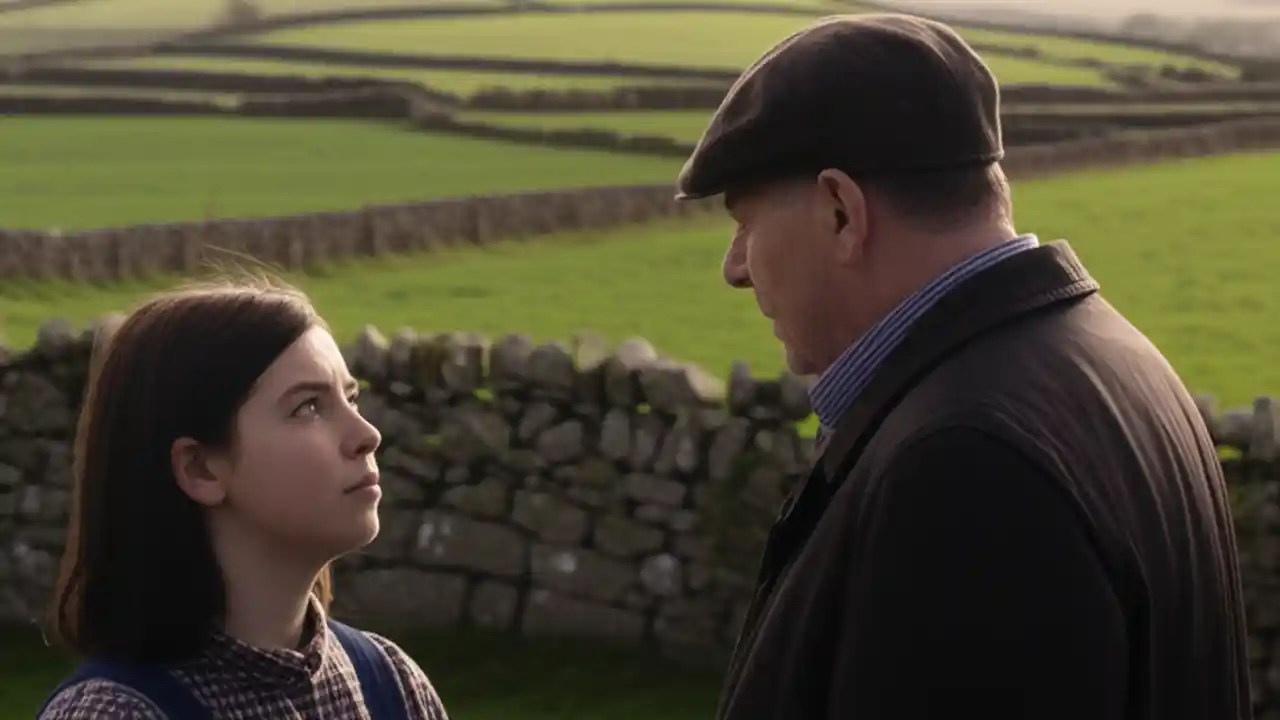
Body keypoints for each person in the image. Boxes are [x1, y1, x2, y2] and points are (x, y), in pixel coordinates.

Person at [675, 13, 1253, 720]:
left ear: (839, 212)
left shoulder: (962, 464)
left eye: (746, 222)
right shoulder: (1117, 359)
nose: (734, 267)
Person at [37, 277, 450, 719]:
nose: (368, 435)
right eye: (308, 406)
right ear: (201, 468)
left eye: (351, 398)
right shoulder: (116, 713)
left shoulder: (390, 684)